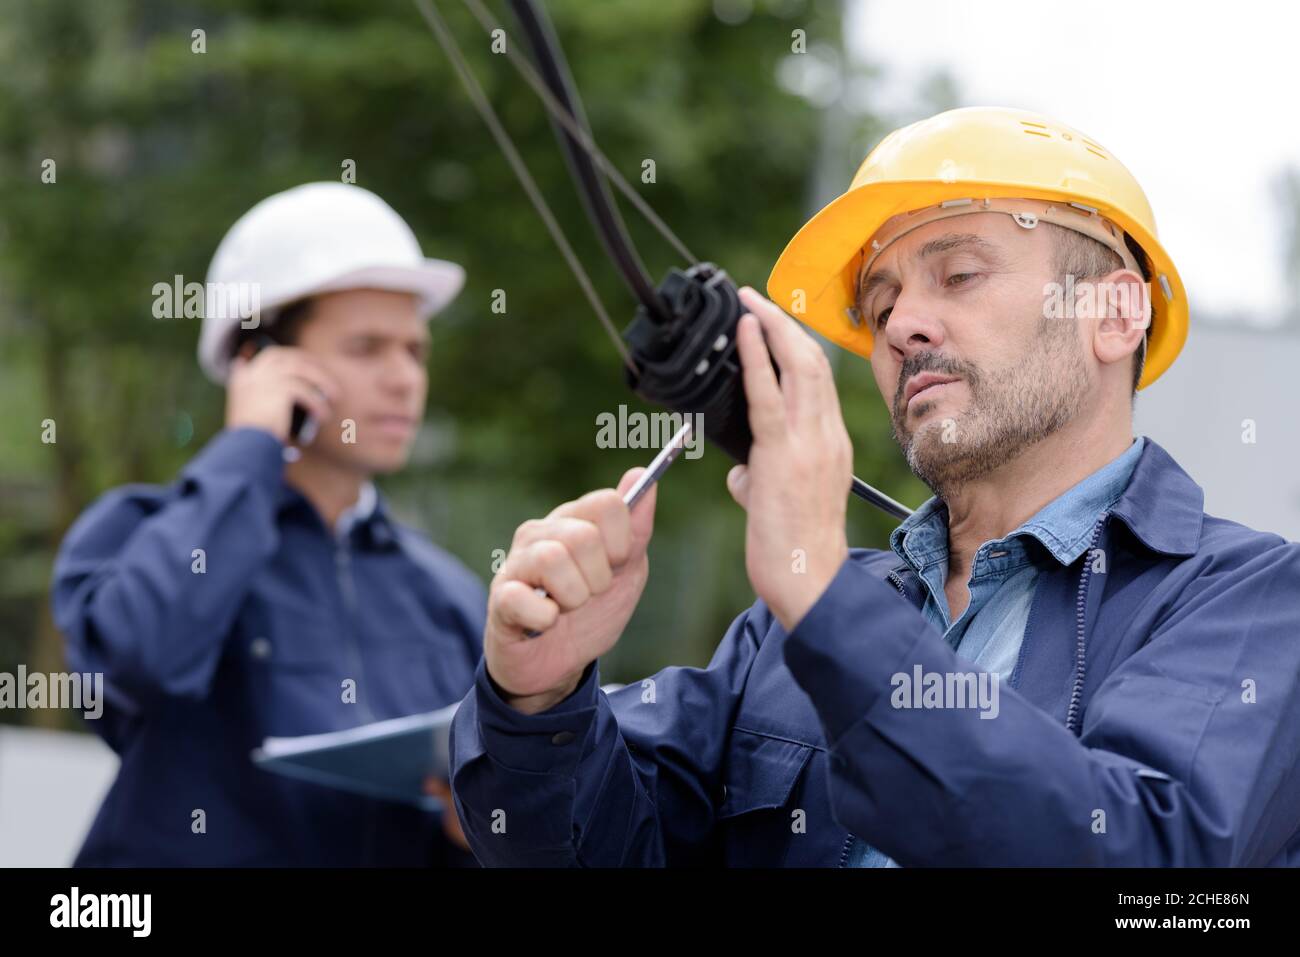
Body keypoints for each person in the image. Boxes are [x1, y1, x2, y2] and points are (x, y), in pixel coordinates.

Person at [447, 107, 1300, 866]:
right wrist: (540, 704)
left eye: (958, 273)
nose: (901, 325)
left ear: (1115, 315)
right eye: (880, 299)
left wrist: (822, 600)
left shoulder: (1251, 603)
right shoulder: (780, 637)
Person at [52, 182, 485, 865]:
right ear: (260, 361)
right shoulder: (136, 533)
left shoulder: (454, 596)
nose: (405, 378)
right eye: (368, 347)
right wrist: (250, 446)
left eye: (415, 350)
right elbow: (135, 668)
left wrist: (483, 831)